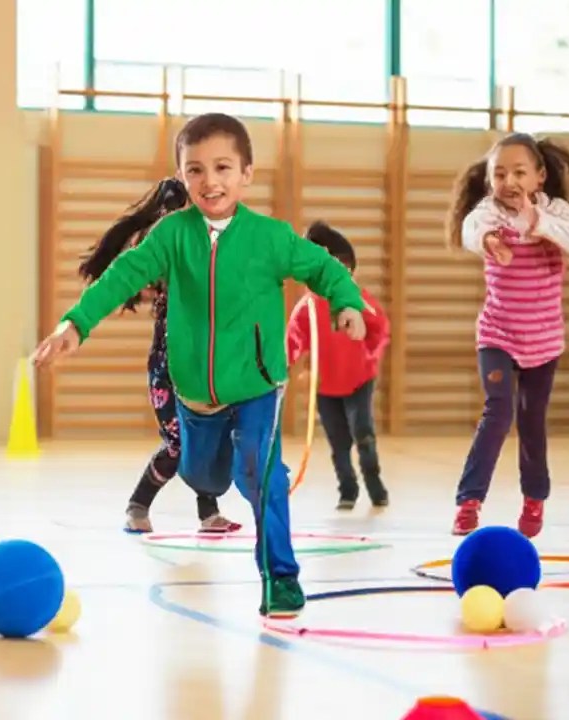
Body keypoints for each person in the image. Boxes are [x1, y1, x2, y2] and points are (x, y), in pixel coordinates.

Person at [33, 112, 367, 617]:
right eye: (195, 170)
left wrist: (346, 302)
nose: (210, 181)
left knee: (262, 475)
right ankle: (218, 470)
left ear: (246, 174)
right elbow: (122, 276)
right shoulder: (171, 236)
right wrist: (74, 324)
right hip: (195, 395)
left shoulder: (269, 238)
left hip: (257, 384)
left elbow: (323, 267)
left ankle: (280, 577)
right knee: (204, 477)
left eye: (223, 167)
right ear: (181, 175)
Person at [446, 132, 569, 538]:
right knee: (498, 411)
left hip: (543, 343)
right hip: (498, 335)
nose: (508, 181)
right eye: (499, 173)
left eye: (519, 172)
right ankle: (469, 501)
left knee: (531, 421)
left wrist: (538, 222)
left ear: (540, 176)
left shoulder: (556, 212)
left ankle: (534, 499)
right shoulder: (487, 212)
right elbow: (469, 232)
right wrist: (490, 239)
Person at [75, 177, 239, 534]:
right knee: (180, 443)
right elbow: (130, 274)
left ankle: (208, 514)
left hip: (206, 363)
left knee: (209, 438)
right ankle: (138, 504)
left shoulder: (209, 245)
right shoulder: (163, 246)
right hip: (168, 368)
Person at [287, 221, 390, 510]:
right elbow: (293, 341)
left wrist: (369, 355)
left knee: (364, 434)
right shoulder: (307, 307)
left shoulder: (357, 299)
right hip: (326, 386)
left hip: (359, 380)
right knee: (338, 442)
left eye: (346, 268)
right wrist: (285, 368)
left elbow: (379, 328)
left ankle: (375, 486)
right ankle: (348, 490)